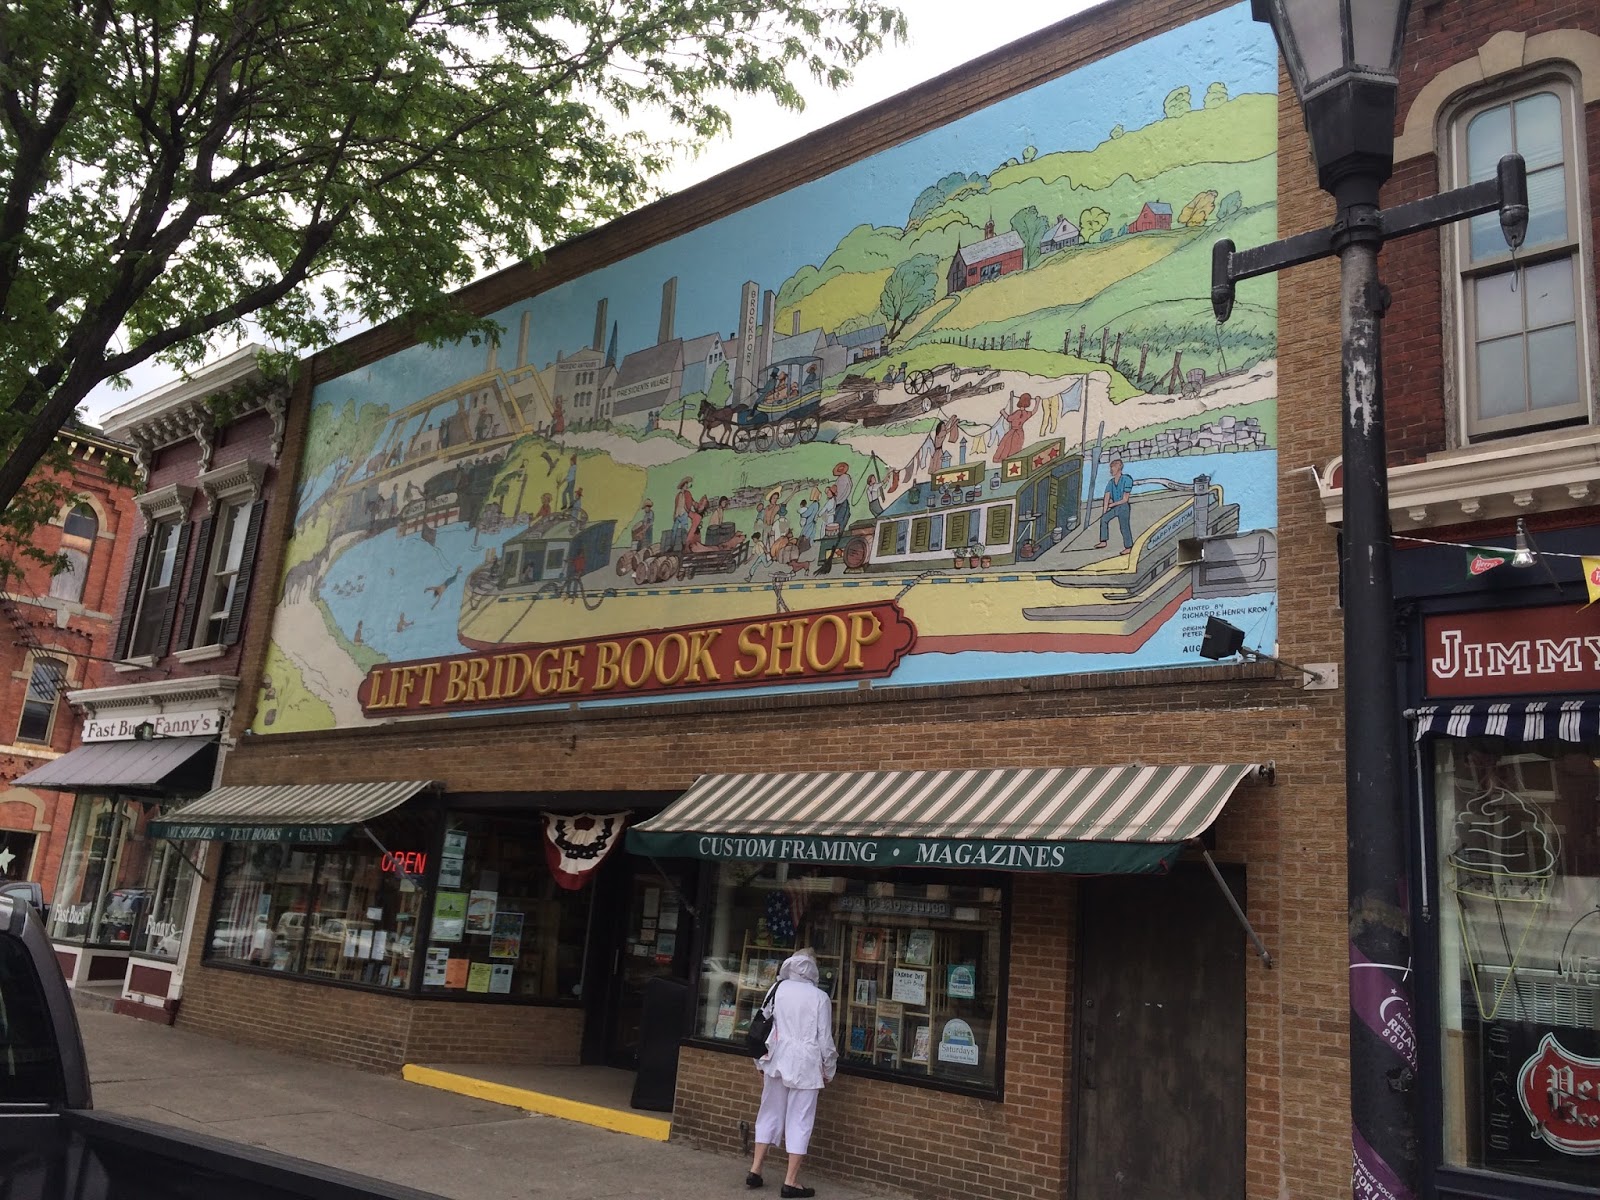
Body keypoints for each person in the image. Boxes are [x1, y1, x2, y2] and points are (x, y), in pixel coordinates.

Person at [747, 951, 837, 1197]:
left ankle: (755, 1170)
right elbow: (825, 1040)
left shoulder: (777, 988)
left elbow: (760, 1027)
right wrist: (829, 1069)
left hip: (775, 1058)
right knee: (800, 1119)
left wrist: (758, 1061)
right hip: (806, 1063)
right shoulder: (820, 997)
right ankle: (791, 1181)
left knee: (768, 1112)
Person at [1097, 457, 1138, 552]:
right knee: (1104, 519)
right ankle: (1103, 541)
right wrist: (1105, 510)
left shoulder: (1126, 479)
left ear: (1118, 468)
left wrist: (1112, 505)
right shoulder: (1111, 482)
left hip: (1123, 507)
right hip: (1115, 507)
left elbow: (1125, 499)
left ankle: (1128, 547)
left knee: (1124, 526)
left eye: (1113, 468)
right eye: (1111, 468)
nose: (1111, 470)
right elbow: (1106, 497)